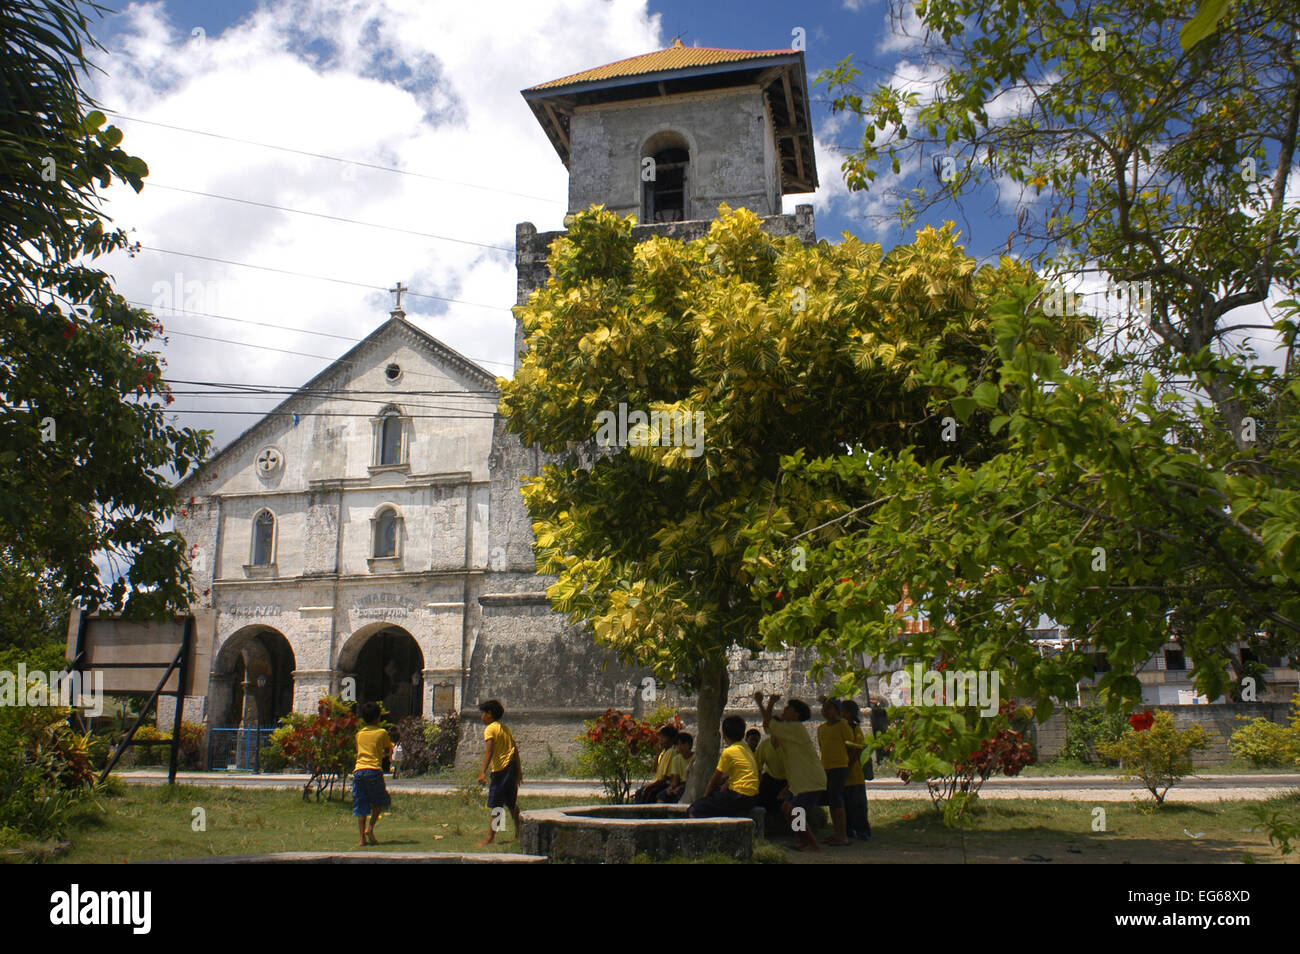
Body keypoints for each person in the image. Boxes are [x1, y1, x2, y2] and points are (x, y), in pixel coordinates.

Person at [754, 691, 825, 852]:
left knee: (795, 810)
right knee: (787, 808)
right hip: (800, 781)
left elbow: (768, 722)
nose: (784, 711)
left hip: (810, 779)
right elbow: (769, 726)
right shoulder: (789, 730)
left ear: (796, 714)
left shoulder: (795, 728)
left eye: (788, 709)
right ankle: (802, 840)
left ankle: (812, 843)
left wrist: (767, 703)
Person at [688, 716, 760, 818]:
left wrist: (705, 798)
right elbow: (734, 778)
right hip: (751, 798)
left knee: (695, 809)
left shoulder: (729, 752)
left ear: (724, 735)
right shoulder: (746, 749)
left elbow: (714, 780)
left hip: (738, 796)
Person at [476, 699, 522, 846]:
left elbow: (489, 751)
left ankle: (490, 838)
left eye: (483, 713)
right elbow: (515, 749)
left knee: (497, 803)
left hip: (501, 770)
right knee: (511, 802)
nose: (481, 716)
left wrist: (482, 772)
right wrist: (518, 771)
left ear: (489, 714)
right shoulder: (505, 728)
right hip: (511, 767)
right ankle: (520, 832)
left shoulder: (490, 729)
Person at [352, 701, 393, 847]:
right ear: (378, 718)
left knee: (360, 803)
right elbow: (387, 748)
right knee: (380, 800)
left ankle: (361, 838)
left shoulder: (359, 734)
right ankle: (370, 828)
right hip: (373, 770)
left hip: (358, 770)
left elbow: (360, 751)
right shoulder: (382, 732)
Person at [817, 697, 852, 846]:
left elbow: (851, 747)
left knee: (837, 800)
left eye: (829, 708)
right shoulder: (821, 729)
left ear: (837, 711)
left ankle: (842, 835)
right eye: (824, 708)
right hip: (826, 767)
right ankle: (837, 833)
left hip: (840, 767)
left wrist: (848, 766)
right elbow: (822, 747)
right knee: (833, 800)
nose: (825, 711)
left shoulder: (843, 726)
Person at [840, 699, 871, 840]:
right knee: (844, 806)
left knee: (858, 807)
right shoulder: (839, 729)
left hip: (854, 775)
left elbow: (857, 751)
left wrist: (847, 767)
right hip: (842, 774)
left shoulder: (855, 729)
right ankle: (848, 831)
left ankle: (862, 832)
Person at [635, 724, 680, 803]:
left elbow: (666, 776)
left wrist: (652, 785)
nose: (661, 740)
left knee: (647, 793)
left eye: (664, 738)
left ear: (671, 739)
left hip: (664, 783)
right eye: (660, 737)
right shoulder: (663, 753)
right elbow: (654, 769)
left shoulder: (671, 752)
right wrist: (658, 753)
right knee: (639, 793)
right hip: (658, 782)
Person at [753, 726, 787, 817]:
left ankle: (795, 829)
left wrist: (786, 789)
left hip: (788, 781)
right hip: (770, 778)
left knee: (789, 808)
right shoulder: (765, 744)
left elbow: (797, 772)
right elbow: (757, 767)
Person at [659, 731, 693, 803]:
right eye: (677, 744)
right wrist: (671, 788)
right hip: (681, 783)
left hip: (691, 784)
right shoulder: (676, 759)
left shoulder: (695, 758)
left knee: (679, 796)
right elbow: (675, 780)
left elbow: (691, 779)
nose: (680, 747)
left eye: (683, 744)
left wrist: (680, 788)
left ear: (690, 745)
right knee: (661, 796)